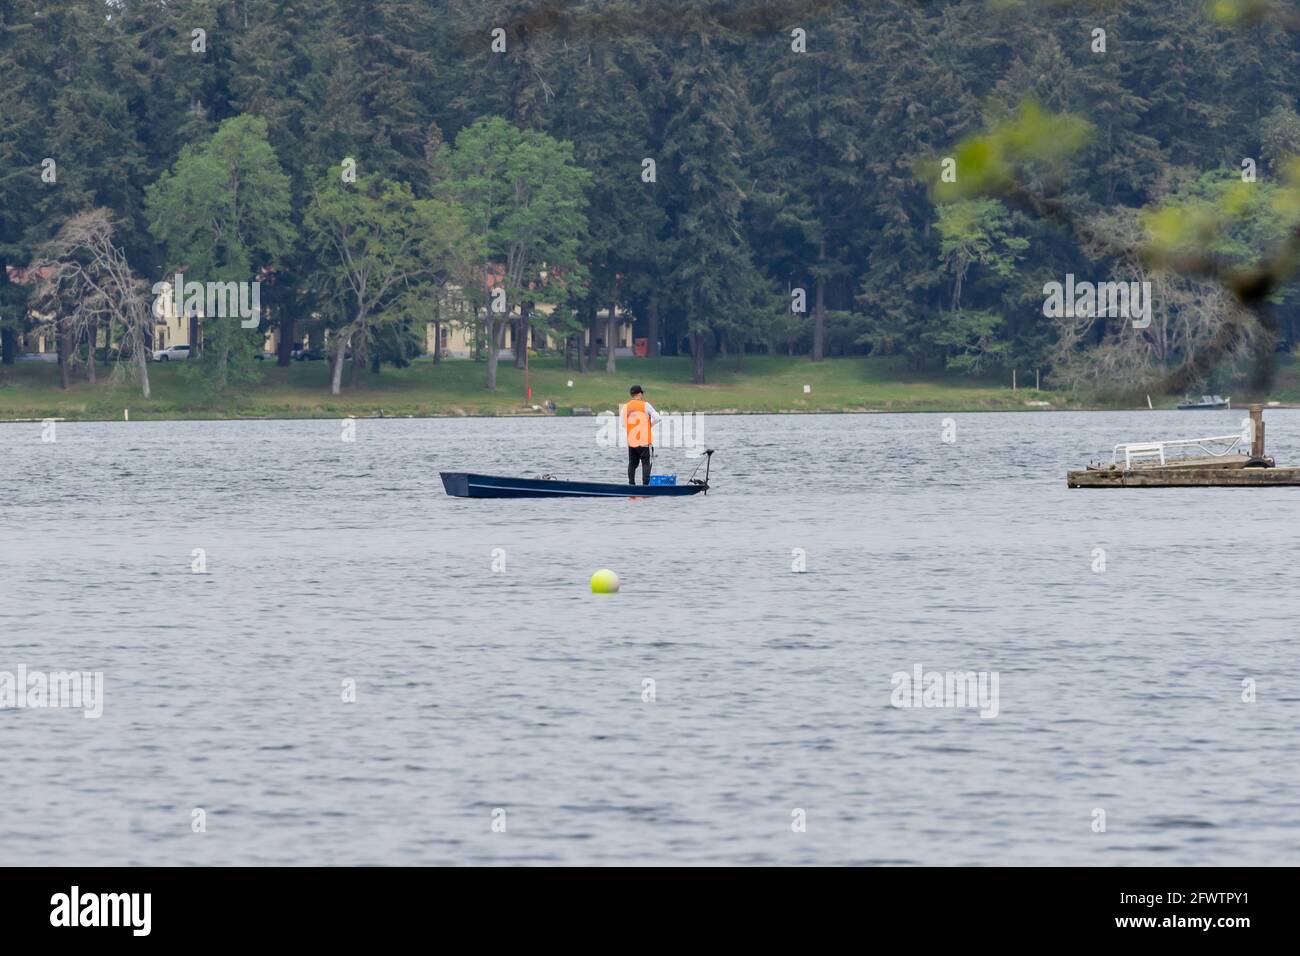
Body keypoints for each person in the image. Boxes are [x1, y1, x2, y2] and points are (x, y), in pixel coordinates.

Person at [623, 385, 661, 485]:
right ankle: (645, 485)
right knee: (645, 463)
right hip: (644, 440)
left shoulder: (626, 406)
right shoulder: (645, 405)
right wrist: (649, 426)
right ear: (639, 394)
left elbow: (623, 424)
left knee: (632, 464)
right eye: (642, 393)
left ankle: (631, 484)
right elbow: (658, 418)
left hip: (631, 440)